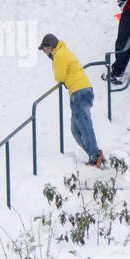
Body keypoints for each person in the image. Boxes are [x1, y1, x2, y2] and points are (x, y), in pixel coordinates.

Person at [38, 34, 104, 168]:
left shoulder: (59, 55)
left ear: (49, 47)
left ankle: (95, 157)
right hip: (82, 90)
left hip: (78, 91)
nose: (45, 52)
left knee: (84, 126)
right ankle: (95, 154)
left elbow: (59, 77)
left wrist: (54, 60)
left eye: (45, 49)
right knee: (75, 129)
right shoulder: (64, 51)